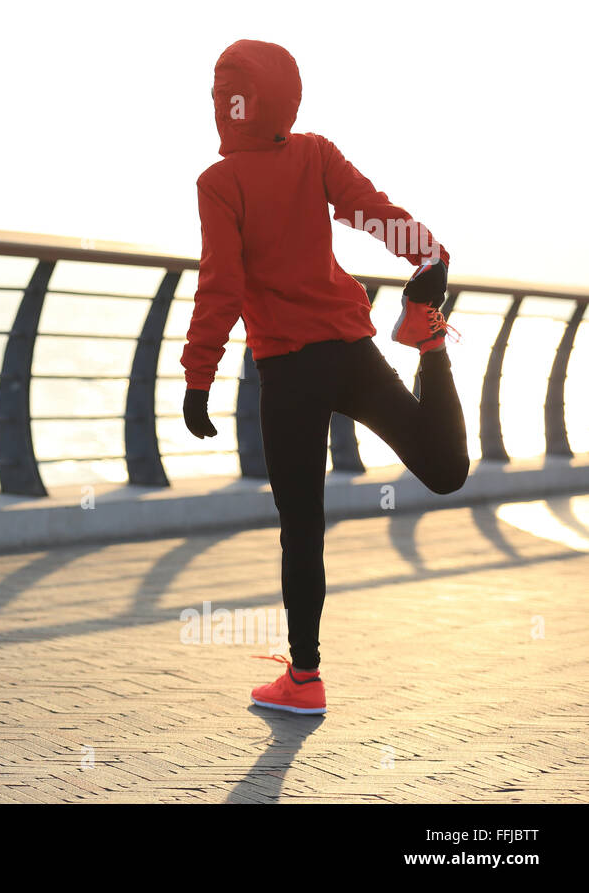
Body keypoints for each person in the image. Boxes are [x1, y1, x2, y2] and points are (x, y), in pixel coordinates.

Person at [180, 39, 470, 715]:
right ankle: (429, 341)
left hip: (287, 371)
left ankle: (304, 680)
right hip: (351, 348)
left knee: (302, 525)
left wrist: (198, 380)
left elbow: (220, 287)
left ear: (228, 105)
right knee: (445, 469)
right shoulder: (315, 154)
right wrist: (428, 255)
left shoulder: (219, 185)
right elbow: (371, 210)